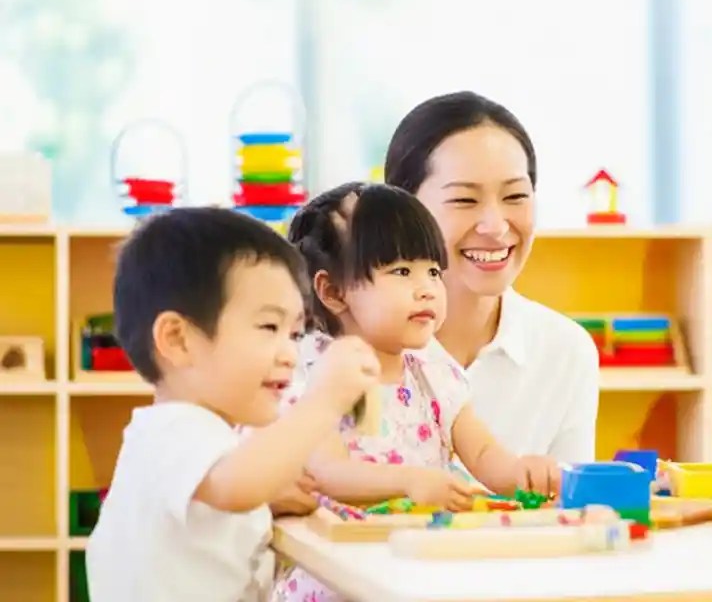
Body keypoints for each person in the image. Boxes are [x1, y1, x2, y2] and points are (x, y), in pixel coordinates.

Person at [276, 182, 562, 602]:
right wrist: (409, 481)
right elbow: (328, 473)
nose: (427, 287)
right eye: (401, 272)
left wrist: (523, 473)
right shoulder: (317, 372)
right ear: (333, 291)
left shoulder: (430, 367)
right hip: (340, 575)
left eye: (432, 271)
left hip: (420, 572)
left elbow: (482, 452)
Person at [87, 208, 378, 601]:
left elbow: (225, 498)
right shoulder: (173, 429)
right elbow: (234, 486)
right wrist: (324, 398)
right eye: (269, 328)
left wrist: (263, 502)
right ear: (178, 340)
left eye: (295, 333)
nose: (291, 354)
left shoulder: (200, 440)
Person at [384, 92, 598, 463]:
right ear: (402, 211)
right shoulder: (347, 344)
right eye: (465, 201)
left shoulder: (565, 351)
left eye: (515, 196)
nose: (496, 228)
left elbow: (571, 510)